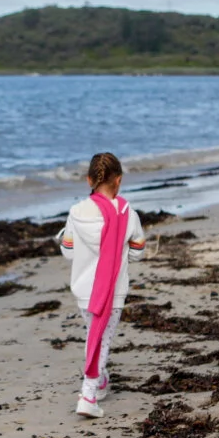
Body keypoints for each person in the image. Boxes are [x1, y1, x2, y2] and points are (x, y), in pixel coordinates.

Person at [56, 152, 145, 419]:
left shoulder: (76, 212)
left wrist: (62, 239)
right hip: (113, 288)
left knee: (95, 334)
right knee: (102, 340)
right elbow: (138, 249)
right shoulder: (127, 213)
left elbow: (69, 250)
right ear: (118, 180)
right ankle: (88, 394)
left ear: (89, 180)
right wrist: (120, 254)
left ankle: (101, 380)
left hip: (84, 289)